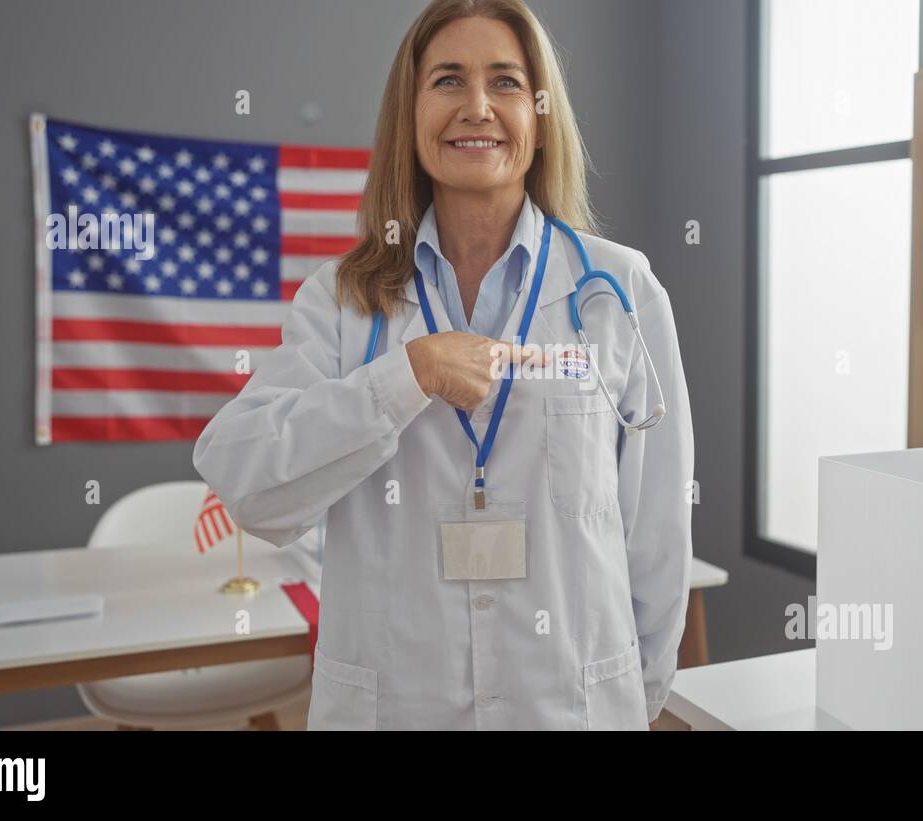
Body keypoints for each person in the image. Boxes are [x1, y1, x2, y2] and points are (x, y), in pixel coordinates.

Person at [193, 0, 693, 730]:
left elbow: (656, 529)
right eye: (449, 80)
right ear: (412, 110)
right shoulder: (340, 302)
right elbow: (246, 482)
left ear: (541, 113)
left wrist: (631, 697)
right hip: (396, 705)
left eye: (507, 82)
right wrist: (406, 377)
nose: (478, 107)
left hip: (570, 704)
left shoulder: (619, 292)